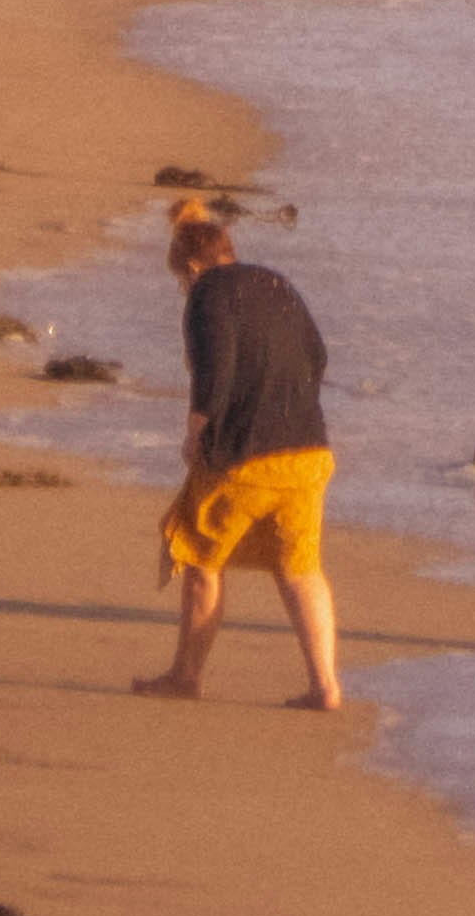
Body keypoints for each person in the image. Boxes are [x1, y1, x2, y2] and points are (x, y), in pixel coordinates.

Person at [137, 201, 340, 709]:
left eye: (180, 281)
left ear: (190, 268)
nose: (183, 290)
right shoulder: (276, 284)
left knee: (201, 557)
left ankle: (185, 677)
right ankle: (325, 686)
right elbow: (317, 355)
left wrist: (195, 433)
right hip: (308, 451)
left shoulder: (208, 295)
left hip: (245, 457)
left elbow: (217, 370)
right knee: (301, 569)